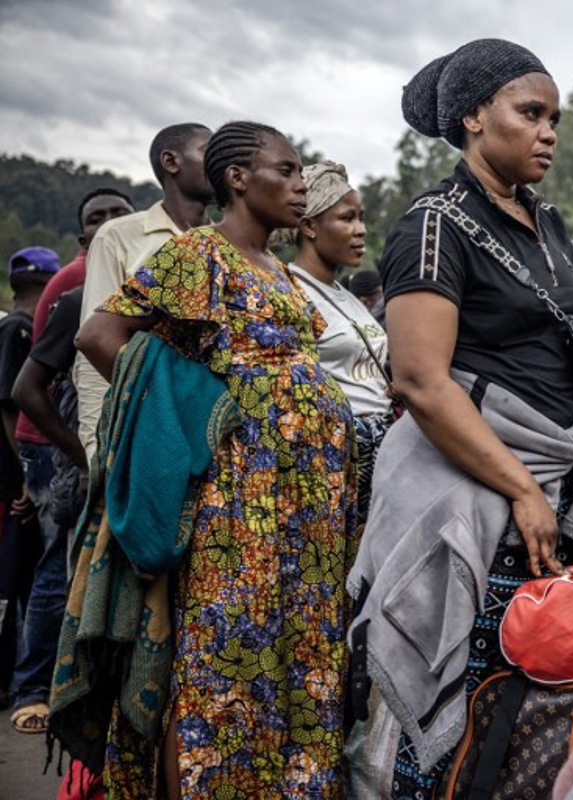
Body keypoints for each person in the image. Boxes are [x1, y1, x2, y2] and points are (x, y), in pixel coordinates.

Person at [346, 40, 573, 798]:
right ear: (473, 117)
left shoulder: (549, 222)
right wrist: (521, 491)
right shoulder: (433, 225)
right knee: (453, 684)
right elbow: (422, 381)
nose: (549, 132)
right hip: (475, 489)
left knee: (523, 686)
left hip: (552, 478)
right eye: (530, 113)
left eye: (555, 117)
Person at [72, 120, 357, 796]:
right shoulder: (199, 254)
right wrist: (192, 419)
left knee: (301, 654)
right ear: (238, 179)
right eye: (285, 171)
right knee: (225, 658)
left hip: (307, 510)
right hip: (241, 503)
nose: (299, 185)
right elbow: (99, 335)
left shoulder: (282, 273)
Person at [5, 190, 133, 736]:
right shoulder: (76, 295)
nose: (107, 225)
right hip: (73, 457)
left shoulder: (148, 292)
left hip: (125, 457)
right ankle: (33, 688)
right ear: (83, 240)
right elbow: (29, 389)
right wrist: (79, 454)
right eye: (95, 220)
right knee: (60, 567)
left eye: (117, 216)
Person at [75, 123, 213, 460]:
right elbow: (93, 348)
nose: (222, 162)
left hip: (206, 431)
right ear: (171, 161)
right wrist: (97, 446)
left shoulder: (225, 244)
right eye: (209, 152)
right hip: (140, 432)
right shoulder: (119, 237)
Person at [283, 161, 390, 524]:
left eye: (361, 218)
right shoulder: (289, 290)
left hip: (380, 451)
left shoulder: (345, 295)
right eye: (347, 219)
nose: (361, 230)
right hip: (332, 459)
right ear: (309, 226)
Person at [0, 246, 59, 730]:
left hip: (26, 461)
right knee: (39, 570)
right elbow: (12, 401)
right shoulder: (16, 330)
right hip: (30, 459)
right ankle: (28, 681)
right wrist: (22, 472)